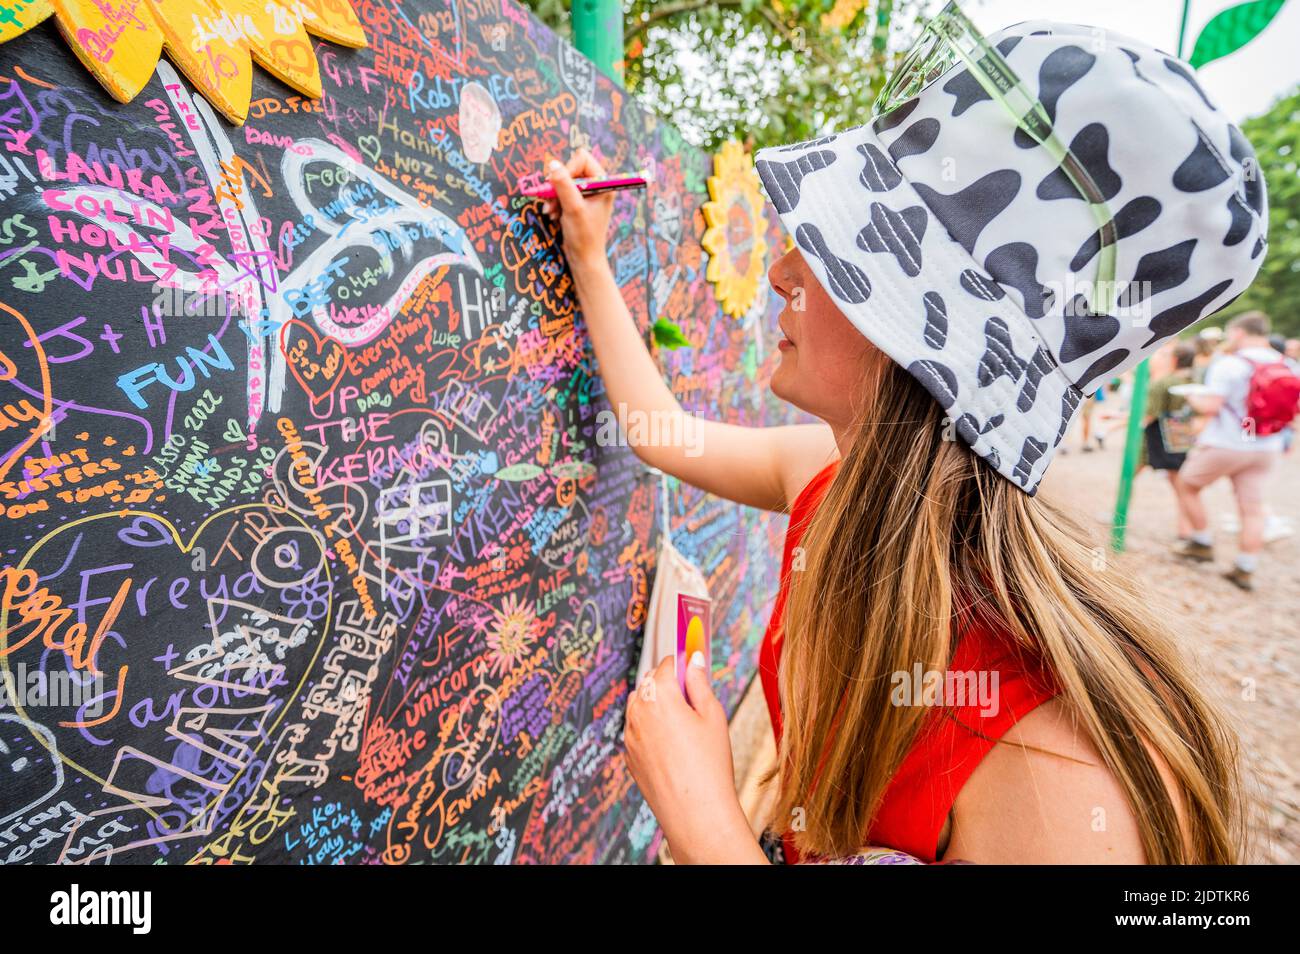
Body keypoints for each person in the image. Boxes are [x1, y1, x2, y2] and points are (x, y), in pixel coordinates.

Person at [544, 9, 1264, 864]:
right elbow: (661, 433)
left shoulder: (1064, 774)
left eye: (844, 253)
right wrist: (589, 259)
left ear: (932, 347)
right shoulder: (829, 476)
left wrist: (705, 825)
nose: (780, 271)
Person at [1173, 311, 1300, 590]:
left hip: (1228, 443)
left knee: (1186, 483)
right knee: (1252, 509)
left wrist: (1191, 397)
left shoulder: (1229, 364)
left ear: (1239, 333)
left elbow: (1211, 407)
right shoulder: (1290, 365)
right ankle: (1245, 567)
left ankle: (1201, 541)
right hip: (1267, 446)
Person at [1142, 342, 1199, 539]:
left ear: (1174, 359)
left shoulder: (1164, 383)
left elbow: (1150, 414)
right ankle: (1186, 528)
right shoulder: (1191, 380)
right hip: (1181, 435)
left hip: (1158, 437)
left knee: (1131, 473)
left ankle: (1118, 516)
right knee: (1180, 485)